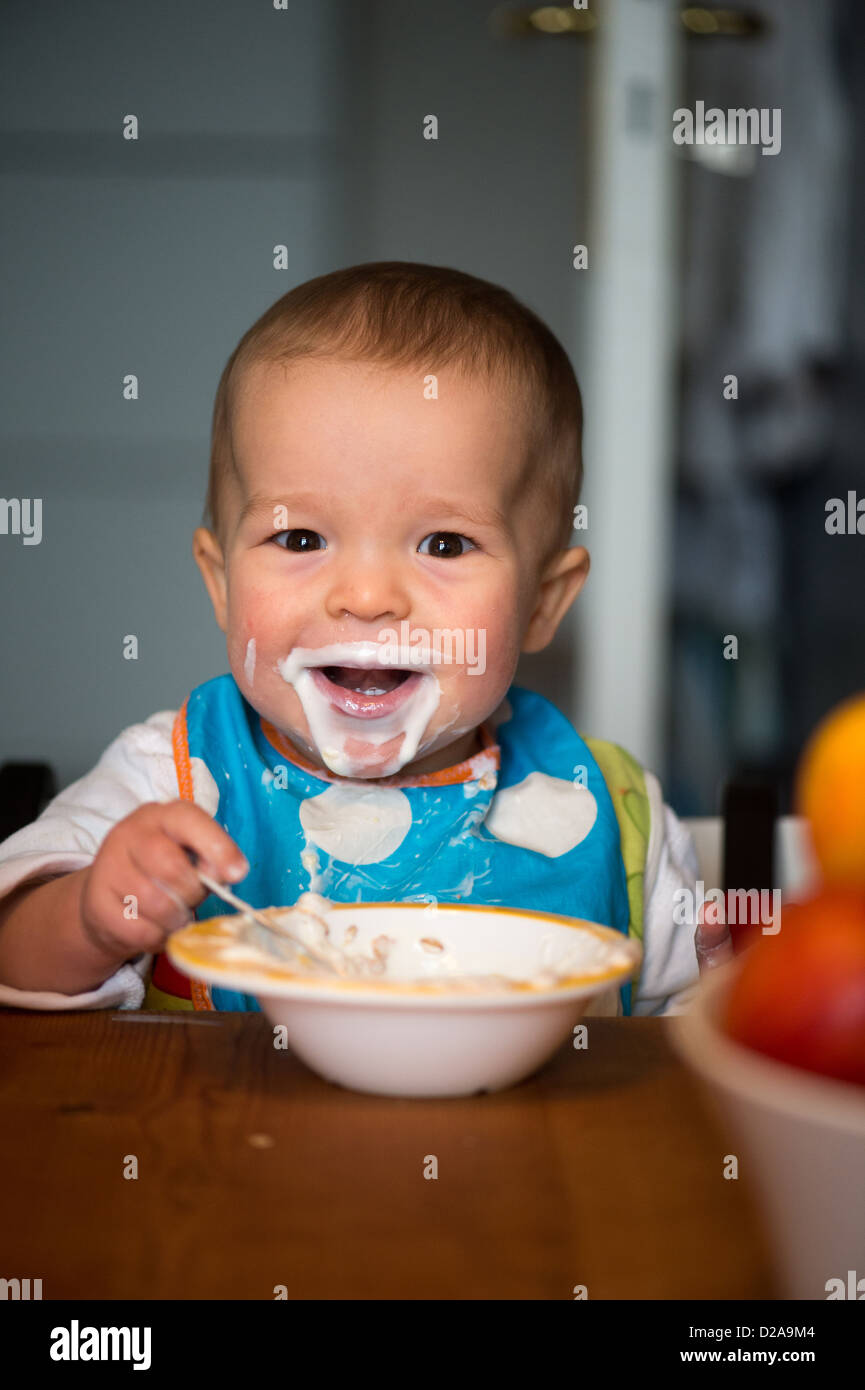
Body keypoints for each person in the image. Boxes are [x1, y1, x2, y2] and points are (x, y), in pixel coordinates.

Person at [0, 262, 731, 1017]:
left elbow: (681, 1058)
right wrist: (93, 915)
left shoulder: (613, 811)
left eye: (444, 544)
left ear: (542, 603)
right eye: (301, 537)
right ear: (220, 584)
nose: (366, 598)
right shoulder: (171, 781)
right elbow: (13, 952)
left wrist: (725, 1001)